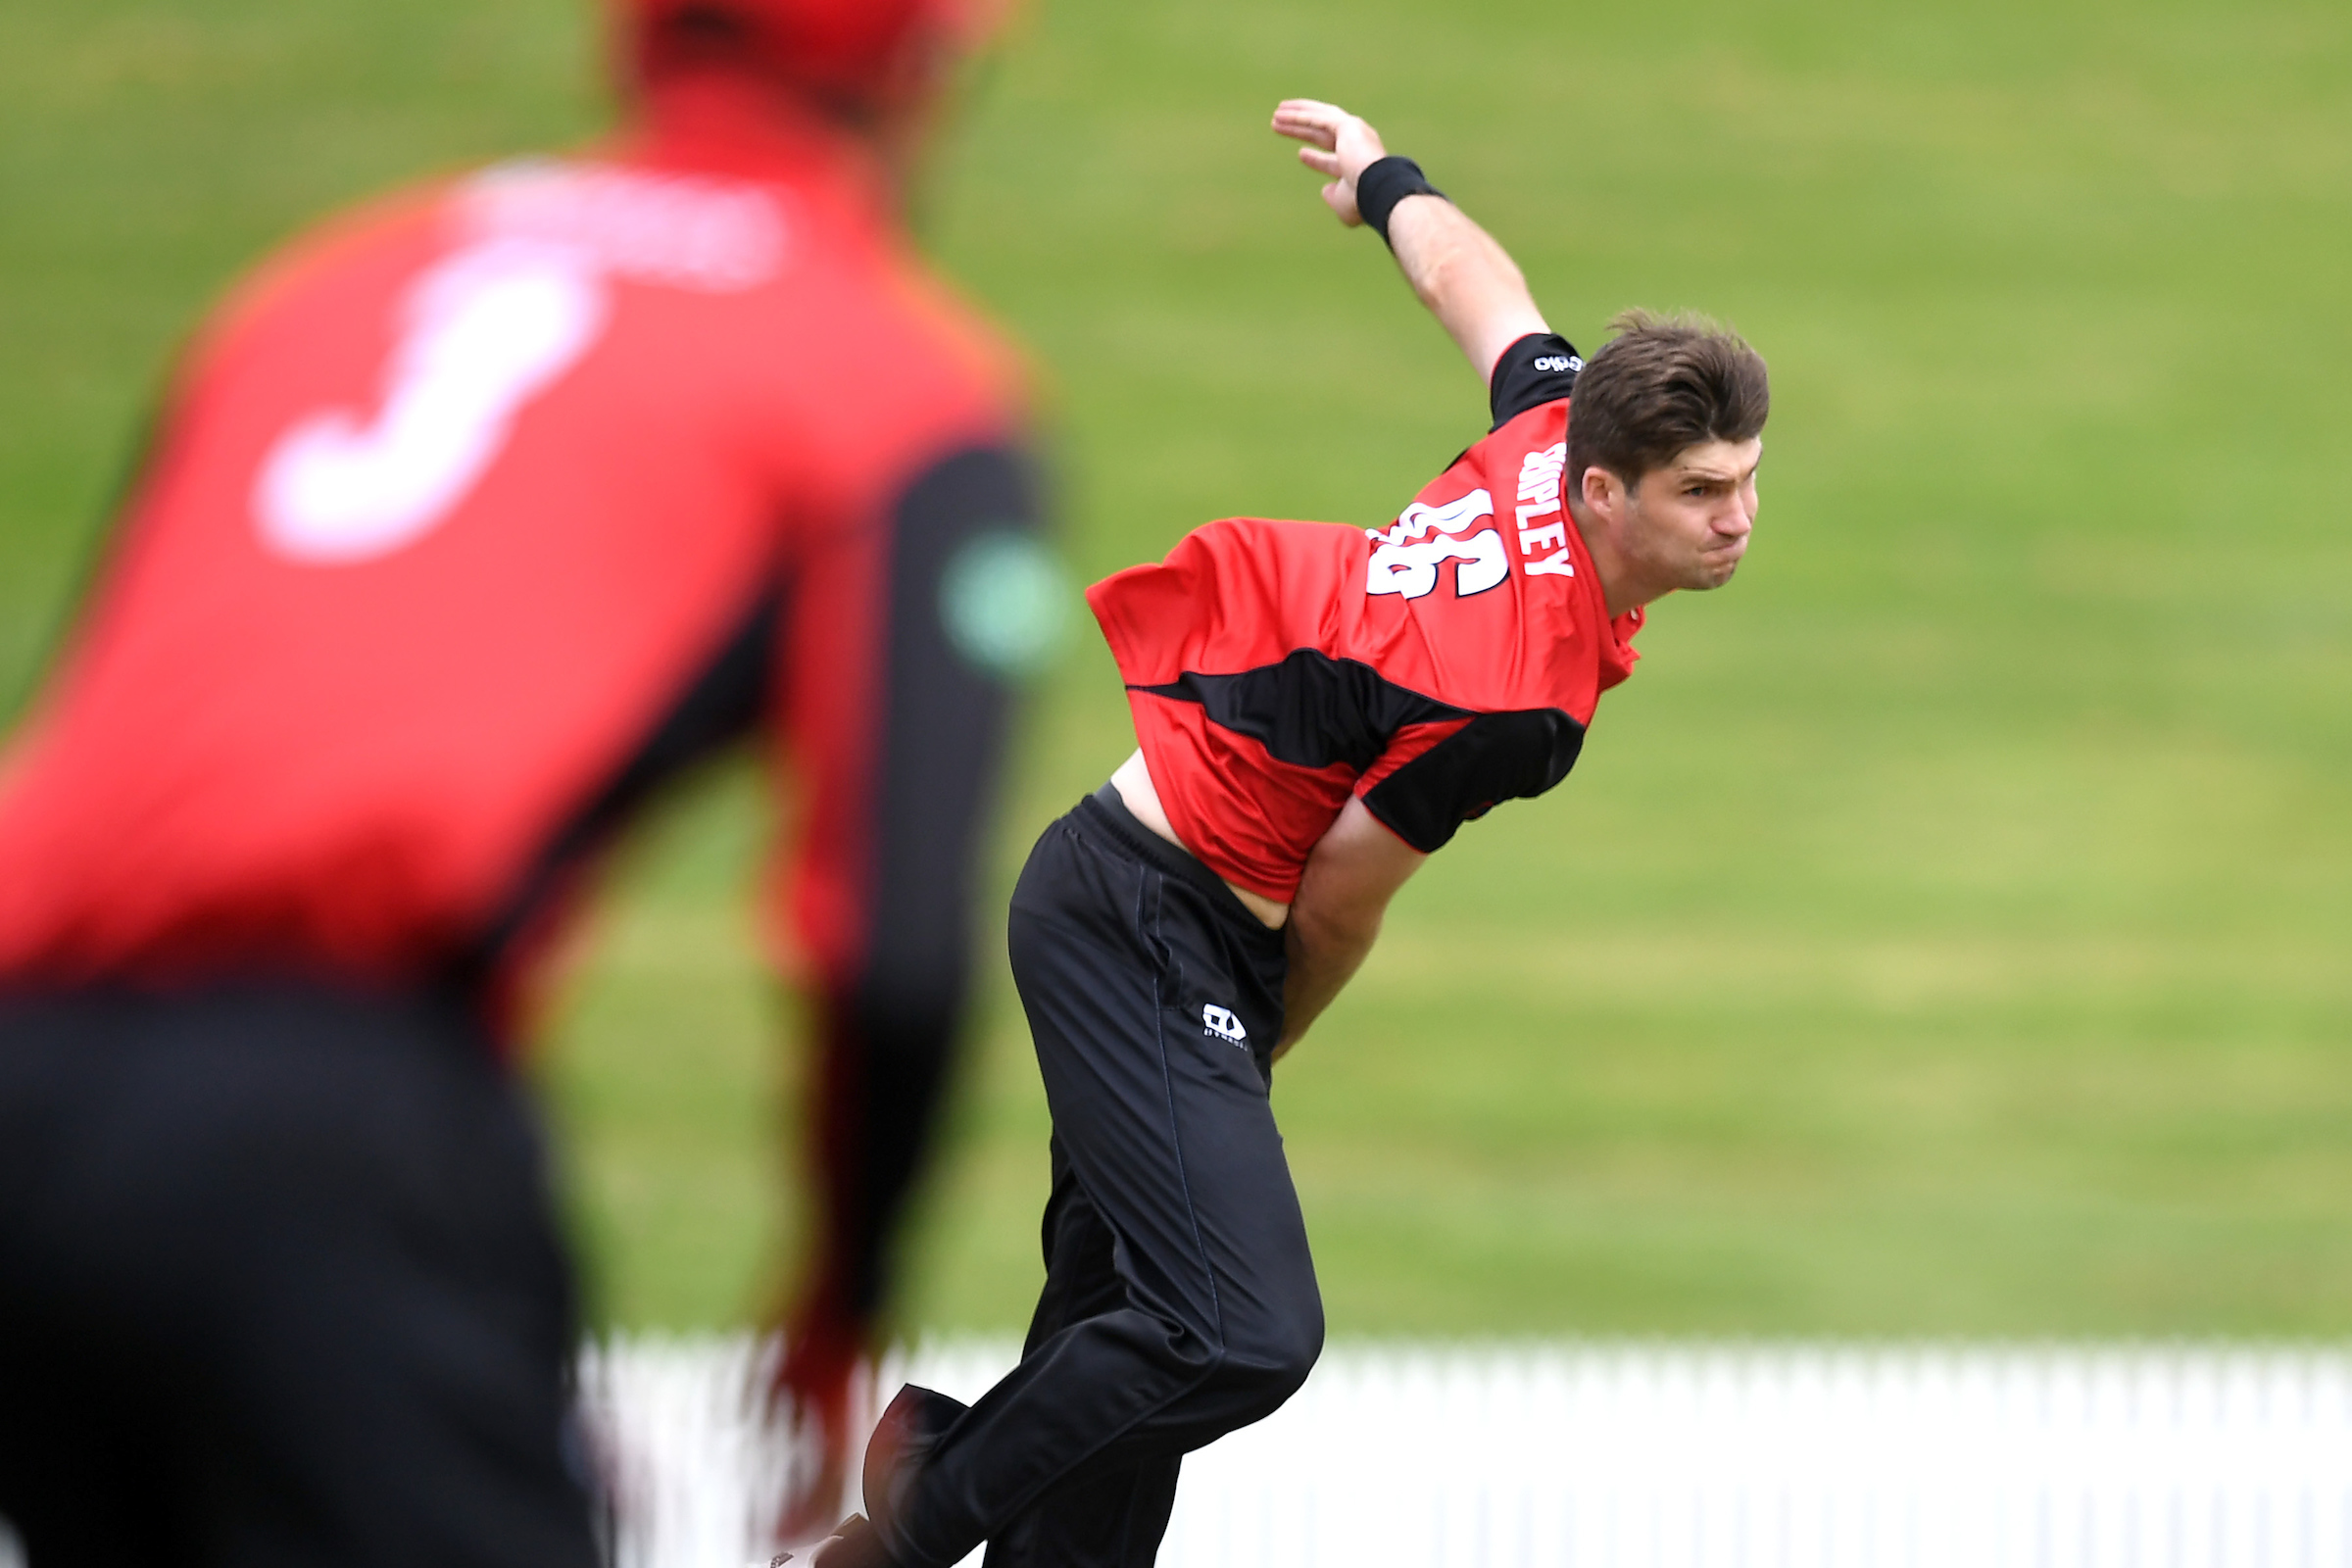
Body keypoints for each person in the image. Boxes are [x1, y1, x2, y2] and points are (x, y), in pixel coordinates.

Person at [0, 0, 1051, 1559]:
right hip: (324, 1124)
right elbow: (891, 952)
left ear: (635, 45)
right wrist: (838, 1314)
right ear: (917, 75)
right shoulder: (896, 387)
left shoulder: (319, 285)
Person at [812, 97, 1770, 1568]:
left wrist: (1387, 182)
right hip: (1145, 922)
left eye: (1748, 478)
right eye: (1700, 492)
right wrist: (1250, 1048)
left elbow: (1478, 286)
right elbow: (1336, 897)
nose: (1738, 517)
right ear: (1602, 490)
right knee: (1239, 1329)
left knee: (1127, 1341)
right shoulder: (1523, 697)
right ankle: (908, 1507)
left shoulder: (1552, 420)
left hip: (1132, 898)